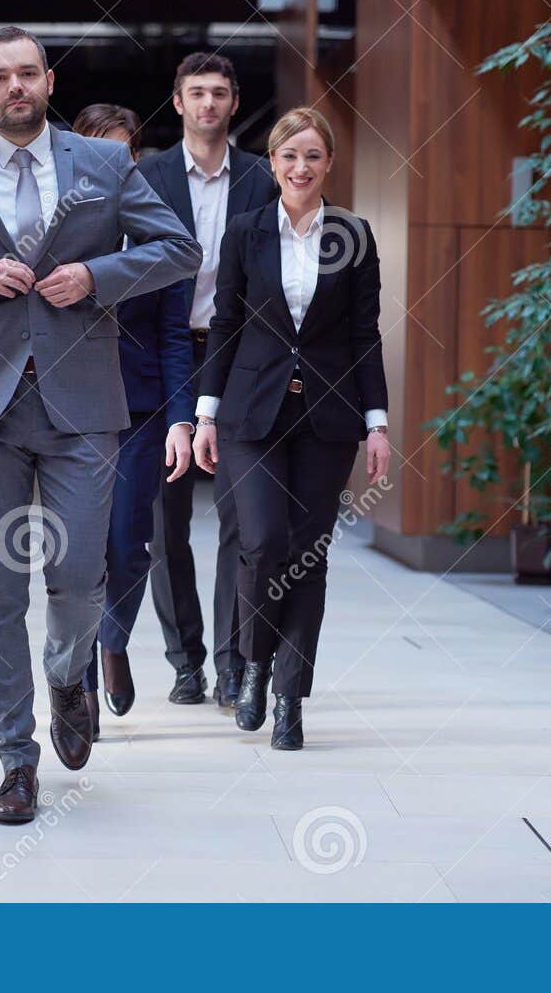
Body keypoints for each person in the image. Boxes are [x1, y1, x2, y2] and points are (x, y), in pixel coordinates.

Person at [0, 28, 201, 824]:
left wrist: (97, 274)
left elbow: (179, 249)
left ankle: (66, 673)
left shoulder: (104, 166)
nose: (15, 86)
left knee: (80, 576)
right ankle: (15, 760)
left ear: (49, 81)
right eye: (1, 76)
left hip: (84, 407)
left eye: (27, 72)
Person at [193, 106, 391, 751]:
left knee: (308, 555)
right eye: (289, 155)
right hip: (252, 413)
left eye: (312, 156)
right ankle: (253, 664)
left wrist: (377, 423)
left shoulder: (354, 236)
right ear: (272, 163)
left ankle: (289, 698)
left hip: (328, 419)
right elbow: (225, 324)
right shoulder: (246, 232)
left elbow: (364, 336)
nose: (301, 167)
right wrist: (205, 414)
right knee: (261, 541)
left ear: (329, 163)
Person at [136, 52, 278, 709]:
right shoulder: (148, 176)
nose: (208, 104)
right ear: (178, 102)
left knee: (239, 520)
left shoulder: (262, 179)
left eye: (219, 92)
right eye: (196, 93)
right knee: (165, 524)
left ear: (234, 102)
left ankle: (231, 662)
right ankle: (185, 661)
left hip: (241, 360)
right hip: (167, 358)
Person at [69, 104, 194, 736]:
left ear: (134, 161)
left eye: (119, 153)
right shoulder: (54, 231)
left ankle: (113, 639)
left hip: (140, 411)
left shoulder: (158, 233)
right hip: (70, 410)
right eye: (95, 150)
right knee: (78, 551)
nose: (106, 164)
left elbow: (175, 334)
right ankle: (83, 680)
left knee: (125, 543)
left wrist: (181, 419)